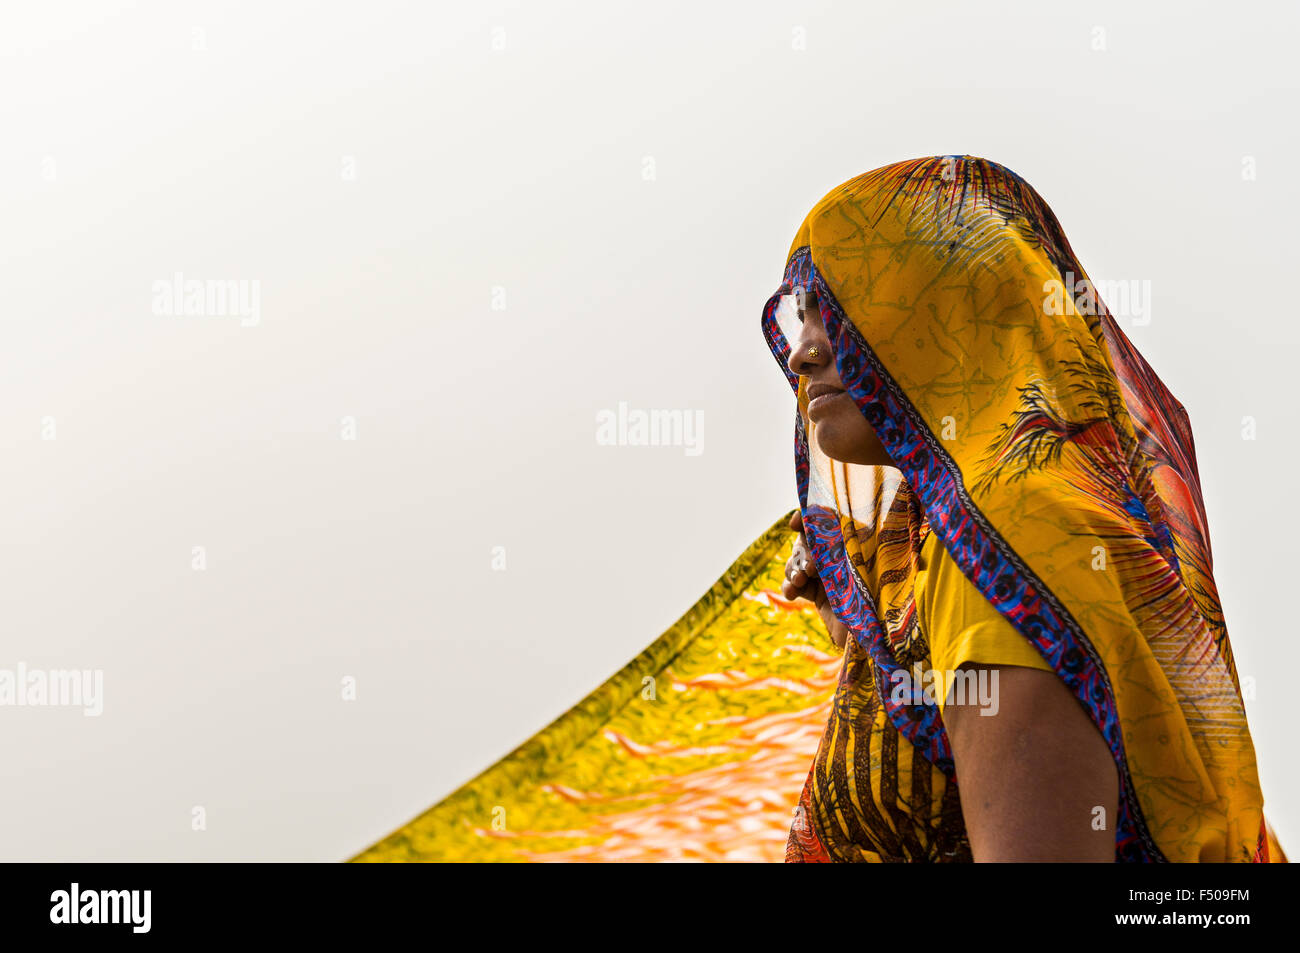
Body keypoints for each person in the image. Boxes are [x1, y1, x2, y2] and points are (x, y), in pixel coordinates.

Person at [763, 154, 1282, 862]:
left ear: (949, 302)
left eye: (838, 303)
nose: (802, 353)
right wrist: (845, 594)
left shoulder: (1002, 534)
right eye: (801, 316)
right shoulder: (982, 526)